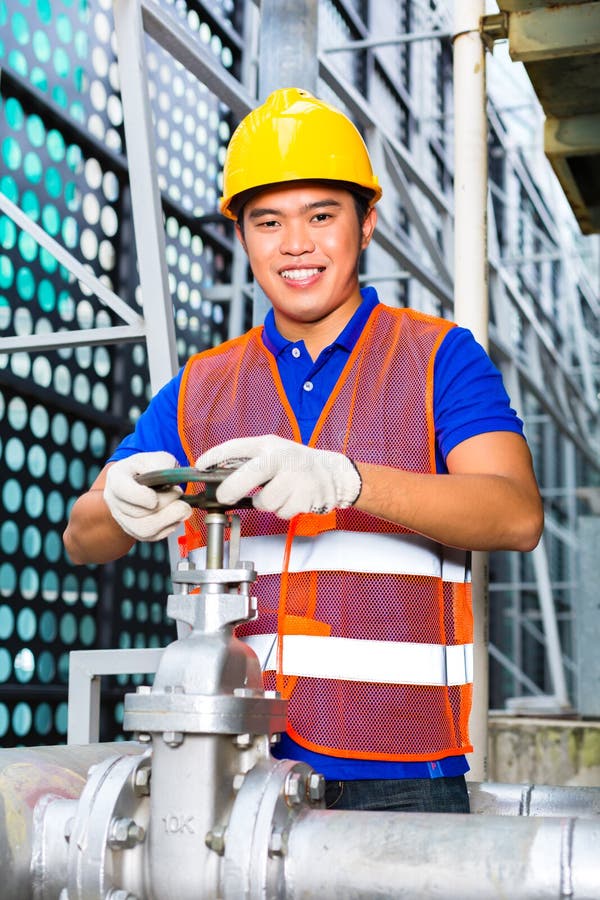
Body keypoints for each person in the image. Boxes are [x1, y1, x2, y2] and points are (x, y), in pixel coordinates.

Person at [64, 87, 543, 814]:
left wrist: (346, 480)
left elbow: (515, 514)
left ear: (366, 223)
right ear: (242, 236)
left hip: (402, 776)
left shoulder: (439, 357)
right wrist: (122, 503)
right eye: (268, 222)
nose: (295, 244)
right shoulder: (201, 386)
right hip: (232, 769)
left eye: (321, 216)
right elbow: (82, 537)